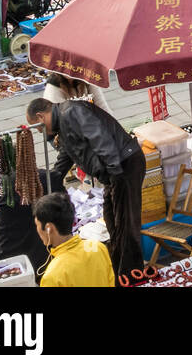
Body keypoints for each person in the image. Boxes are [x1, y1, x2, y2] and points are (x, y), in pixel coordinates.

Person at [26, 97, 145, 278]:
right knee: (112, 220)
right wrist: (46, 184)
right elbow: (64, 160)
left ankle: (132, 275)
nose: (41, 132)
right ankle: (117, 271)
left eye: (39, 128)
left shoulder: (72, 112)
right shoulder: (62, 126)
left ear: (40, 117)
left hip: (122, 165)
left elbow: (101, 138)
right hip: (112, 172)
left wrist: (115, 174)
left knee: (126, 223)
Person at [34, 193, 115, 288]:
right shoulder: (97, 247)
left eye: (37, 225)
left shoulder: (53, 276)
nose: (37, 230)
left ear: (49, 228)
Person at [43, 72, 114, 116]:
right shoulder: (53, 88)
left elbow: (103, 108)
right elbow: (62, 121)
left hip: (91, 127)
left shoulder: (87, 78)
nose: (70, 67)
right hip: (68, 133)